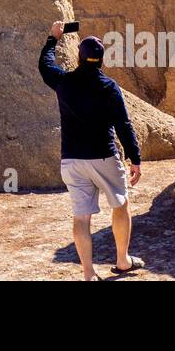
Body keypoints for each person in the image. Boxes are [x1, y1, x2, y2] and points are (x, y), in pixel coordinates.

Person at [38, 26, 145, 281]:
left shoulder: (63, 82)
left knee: (81, 218)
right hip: (104, 157)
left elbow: (45, 65)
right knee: (120, 205)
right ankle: (122, 260)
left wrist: (53, 38)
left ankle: (88, 274)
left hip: (72, 160)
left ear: (79, 56)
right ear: (102, 59)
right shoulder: (109, 87)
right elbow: (123, 124)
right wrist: (135, 158)